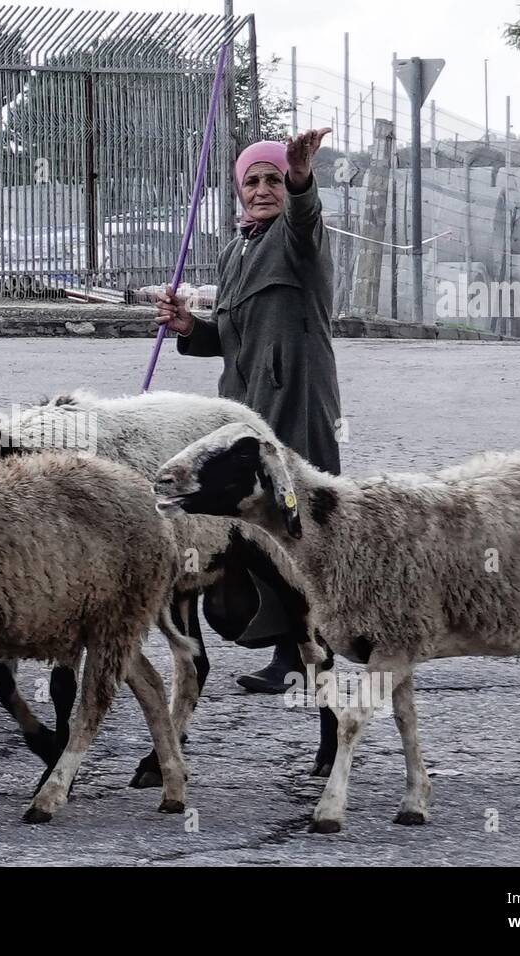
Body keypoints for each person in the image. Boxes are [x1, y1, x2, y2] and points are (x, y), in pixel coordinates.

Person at [155, 129, 342, 694]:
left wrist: (302, 177)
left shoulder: (296, 238)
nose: (263, 189)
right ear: (238, 190)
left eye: (273, 179)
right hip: (244, 409)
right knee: (257, 528)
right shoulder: (238, 248)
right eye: (252, 180)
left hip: (296, 404)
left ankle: (307, 649)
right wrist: (191, 327)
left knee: (295, 525)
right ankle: (290, 639)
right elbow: (236, 335)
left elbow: (306, 218)